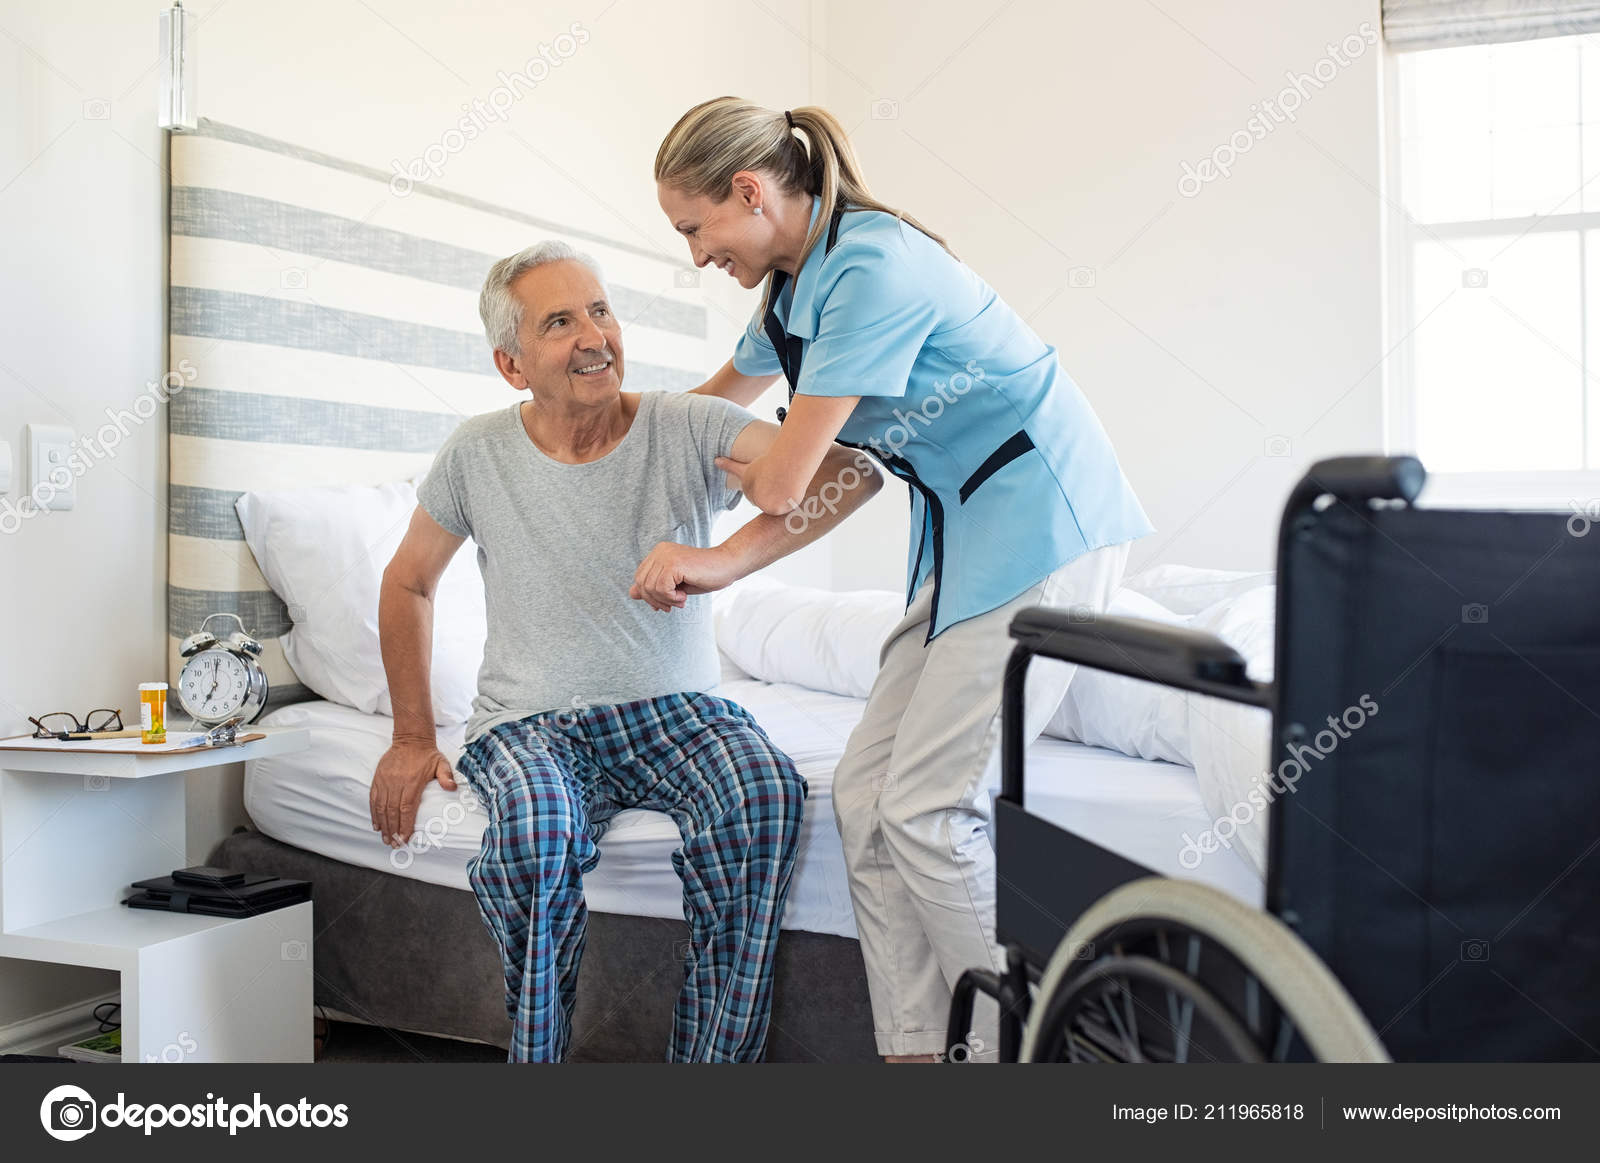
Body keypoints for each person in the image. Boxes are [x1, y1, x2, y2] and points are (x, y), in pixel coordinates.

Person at [651, 98, 1152, 1061]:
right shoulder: (792, 291)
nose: (696, 253)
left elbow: (791, 479)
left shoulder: (872, 268)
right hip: (967, 542)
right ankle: (923, 1052)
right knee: (863, 796)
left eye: (693, 228)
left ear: (749, 192)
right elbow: (711, 412)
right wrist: (608, 435)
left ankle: (1034, 1053)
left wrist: (720, 537)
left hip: (1045, 526)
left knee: (927, 807)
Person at [370, 240, 881, 1062]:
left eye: (601, 310)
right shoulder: (476, 452)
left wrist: (721, 561)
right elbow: (407, 582)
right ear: (511, 364)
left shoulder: (688, 424)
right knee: (537, 830)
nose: (594, 336)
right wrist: (410, 736)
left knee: (762, 793)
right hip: (531, 725)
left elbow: (848, 476)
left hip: (678, 713)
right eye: (560, 322)